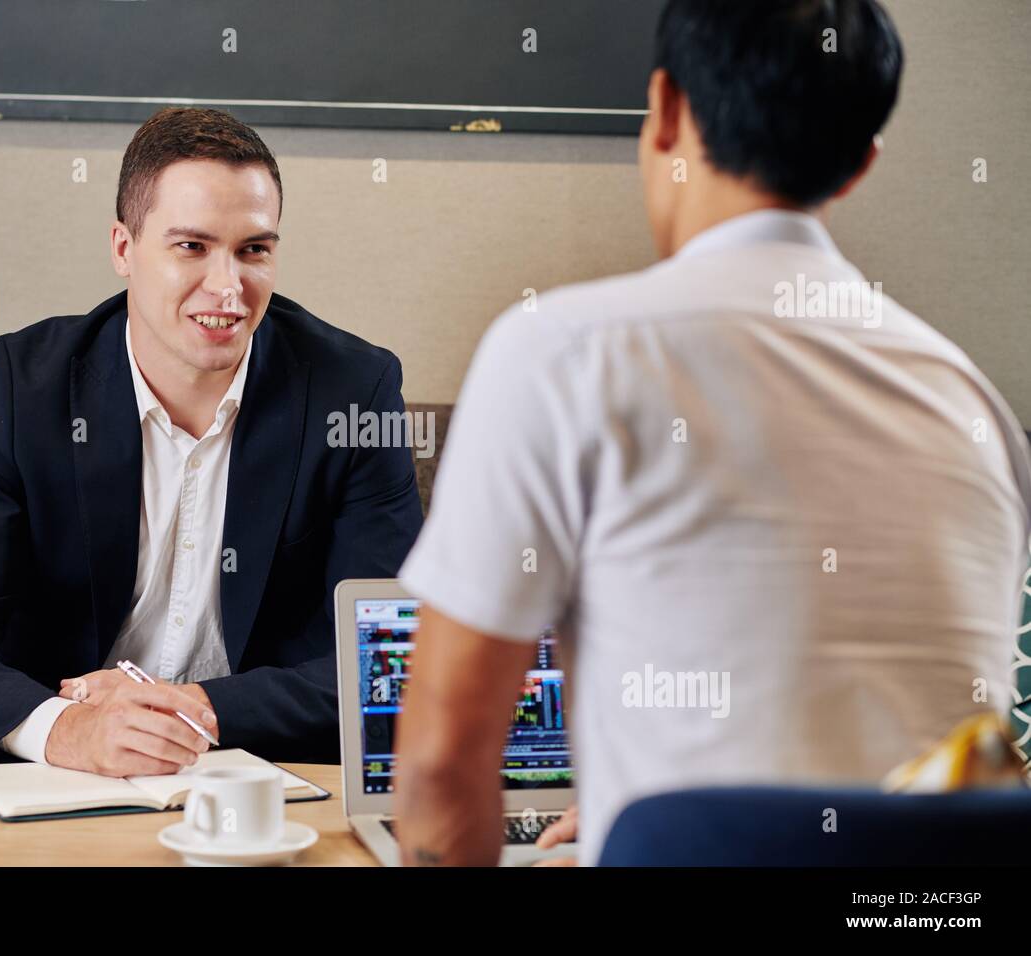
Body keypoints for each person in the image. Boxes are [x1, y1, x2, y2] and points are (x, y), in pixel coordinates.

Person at [393, 0, 1031, 866]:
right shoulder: (975, 404)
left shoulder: (561, 354)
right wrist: (637, 812)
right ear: (859, 165)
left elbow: (436, 769)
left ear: (667, 109)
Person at [0, 108, 423, 774]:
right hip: (57, 777)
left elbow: (388, 662)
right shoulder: (31, 387)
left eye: (254, 249)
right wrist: (68, 731)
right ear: (123, 249)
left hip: (260, 774)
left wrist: (194, 707)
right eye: (192, 246)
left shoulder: (356, 392)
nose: (228, 289)